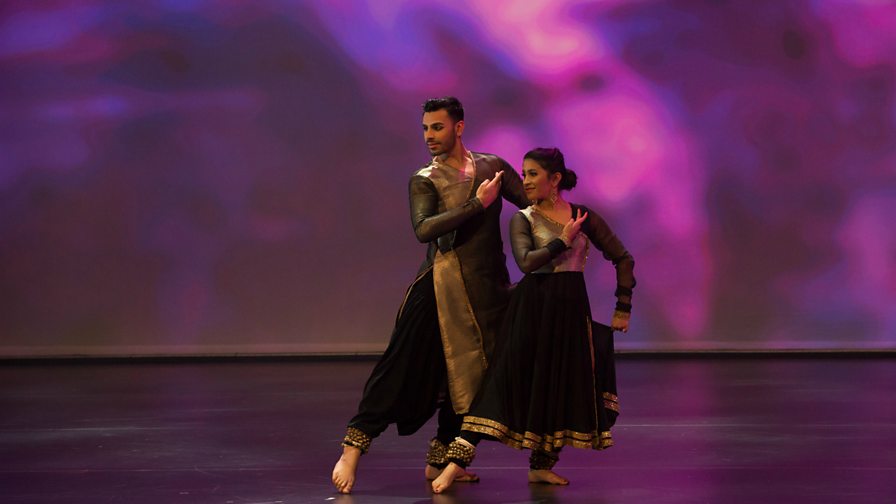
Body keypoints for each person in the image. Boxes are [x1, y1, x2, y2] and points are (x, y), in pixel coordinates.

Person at [331, 97, 530, 494]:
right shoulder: (426, 178)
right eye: (425, 128)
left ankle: (440, 459)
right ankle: (353, 447)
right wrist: (478, 204)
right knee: (402, 368)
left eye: (437, 127)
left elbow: (529, 205)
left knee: (469, 376)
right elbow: (425, 230)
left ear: (458, 127)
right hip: (438, 287)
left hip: (486, 287)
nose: (429, 136)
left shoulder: (493, 167)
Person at [432, 147, 636, 493]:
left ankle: (540, 467)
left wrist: (623, 305)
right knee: (502, 385)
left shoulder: (583, 215)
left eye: (532, 174)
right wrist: (561, 241)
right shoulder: (522, 218)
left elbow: (623, 258)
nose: (524, 181)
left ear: (554, 179)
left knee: (557, 388)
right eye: (523, 174)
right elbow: (527, 263)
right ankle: (454, 464)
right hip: (531, 310)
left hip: (570, 313)